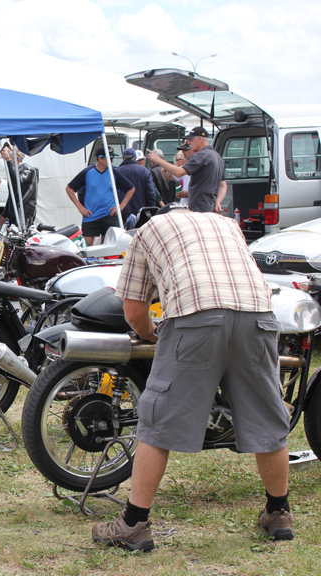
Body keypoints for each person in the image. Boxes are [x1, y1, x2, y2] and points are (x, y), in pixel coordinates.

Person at [92, 206, 293, 551]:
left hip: (196, 317)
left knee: (156, 420)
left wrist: (153, 335)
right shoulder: (227, 223)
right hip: (259, 315)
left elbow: (134, 310)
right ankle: (279, 513)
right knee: (269, 419)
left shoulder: (147, 231)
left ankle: (133, 523)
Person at [65, 146, 135, 245]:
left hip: (109, 215)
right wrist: (80, 207)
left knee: (108, 248)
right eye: (109, 158)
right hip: (91, 215)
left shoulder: (113, 172)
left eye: (112, 158)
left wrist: (120, 207)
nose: (112, 160)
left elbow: (131, 189)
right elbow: (69, 189)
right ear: (100, 158)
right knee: (86, 249)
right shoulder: (87, 172)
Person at [147, 126, 226, 213]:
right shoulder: (217, 157)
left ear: (200, 139)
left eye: (191, 140)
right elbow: (223, 185)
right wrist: (218, 202)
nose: (189, 143)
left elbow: (178, 173)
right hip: (210, 206)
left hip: (199, 208)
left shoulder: (201, 155)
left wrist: (159, 160)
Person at [0, 146, 37, 229]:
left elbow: (17, 182)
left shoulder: (28, 169)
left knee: (21, 235)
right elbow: (11, 195)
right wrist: (4, 215)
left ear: (14, 157)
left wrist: (8, 161)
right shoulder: (15, 170)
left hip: (24, 211)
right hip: (15, 211)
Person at [116, 148, 158, 225]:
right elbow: (151, 193)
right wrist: (150, 209)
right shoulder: (144, 171)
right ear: (135, 158)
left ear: (123, 157)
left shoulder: (116, 172)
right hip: (141, 213)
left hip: (122, 213)